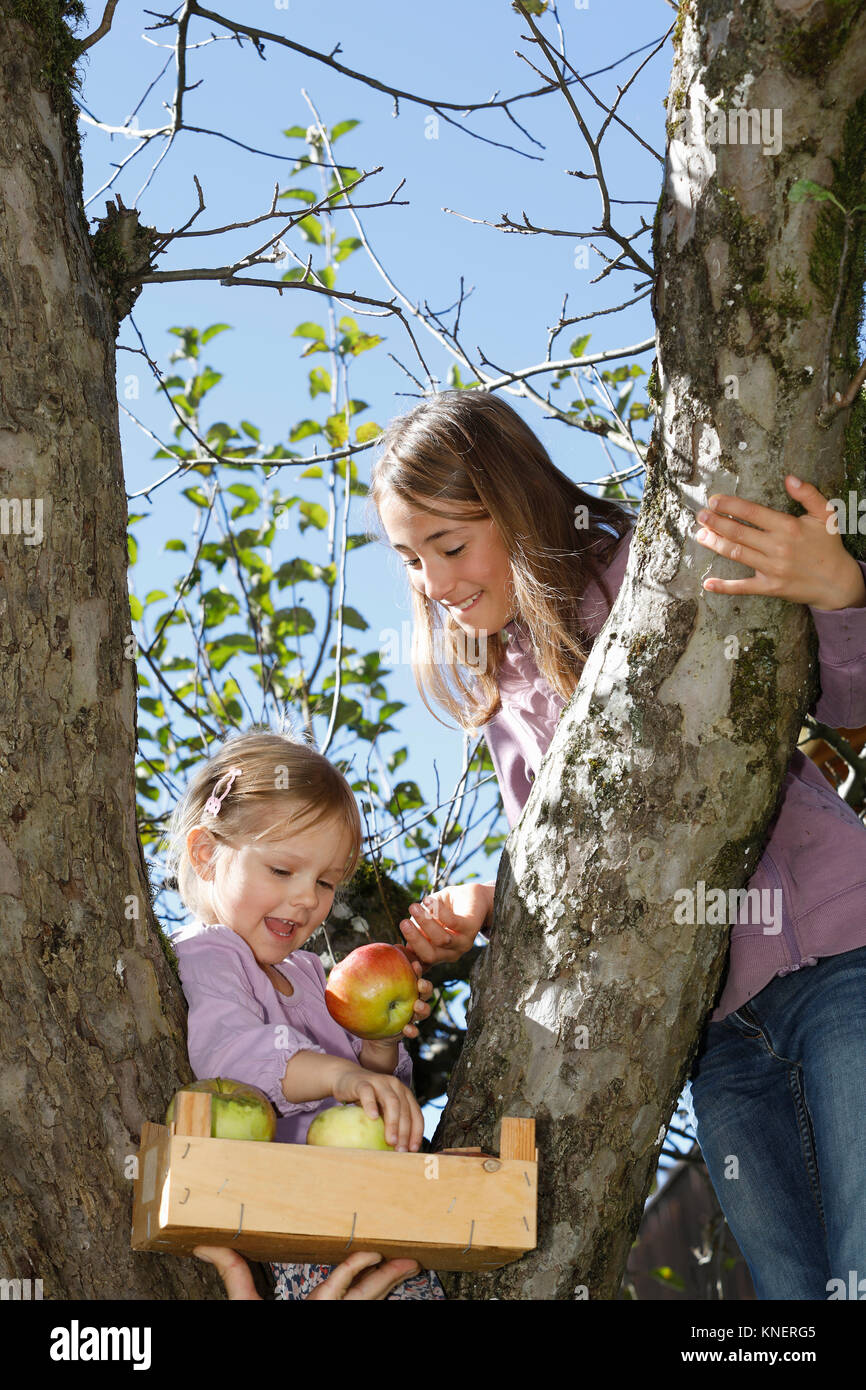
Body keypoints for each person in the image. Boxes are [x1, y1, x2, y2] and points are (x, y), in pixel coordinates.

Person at [367, 388, 866, 1301]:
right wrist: (491, 908)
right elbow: (575, 871)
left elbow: (848, 704)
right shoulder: (501, 696)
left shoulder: (649, 579)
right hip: (715, 1040)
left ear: (517, 503)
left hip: (841, 961)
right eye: (409, 560)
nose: (433, 584)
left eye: (448, 544)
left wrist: (840, 592)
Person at [164, 729, 446, 1301]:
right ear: (207, 854)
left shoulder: (312, 975)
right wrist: (343, 1076)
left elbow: (376, 1088)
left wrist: (380, 1042)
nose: (306, 900)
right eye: (282, 871)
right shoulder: (208, 952)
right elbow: (230, 1056)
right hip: (298, 1219)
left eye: (324, 883)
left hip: (368, 1203)